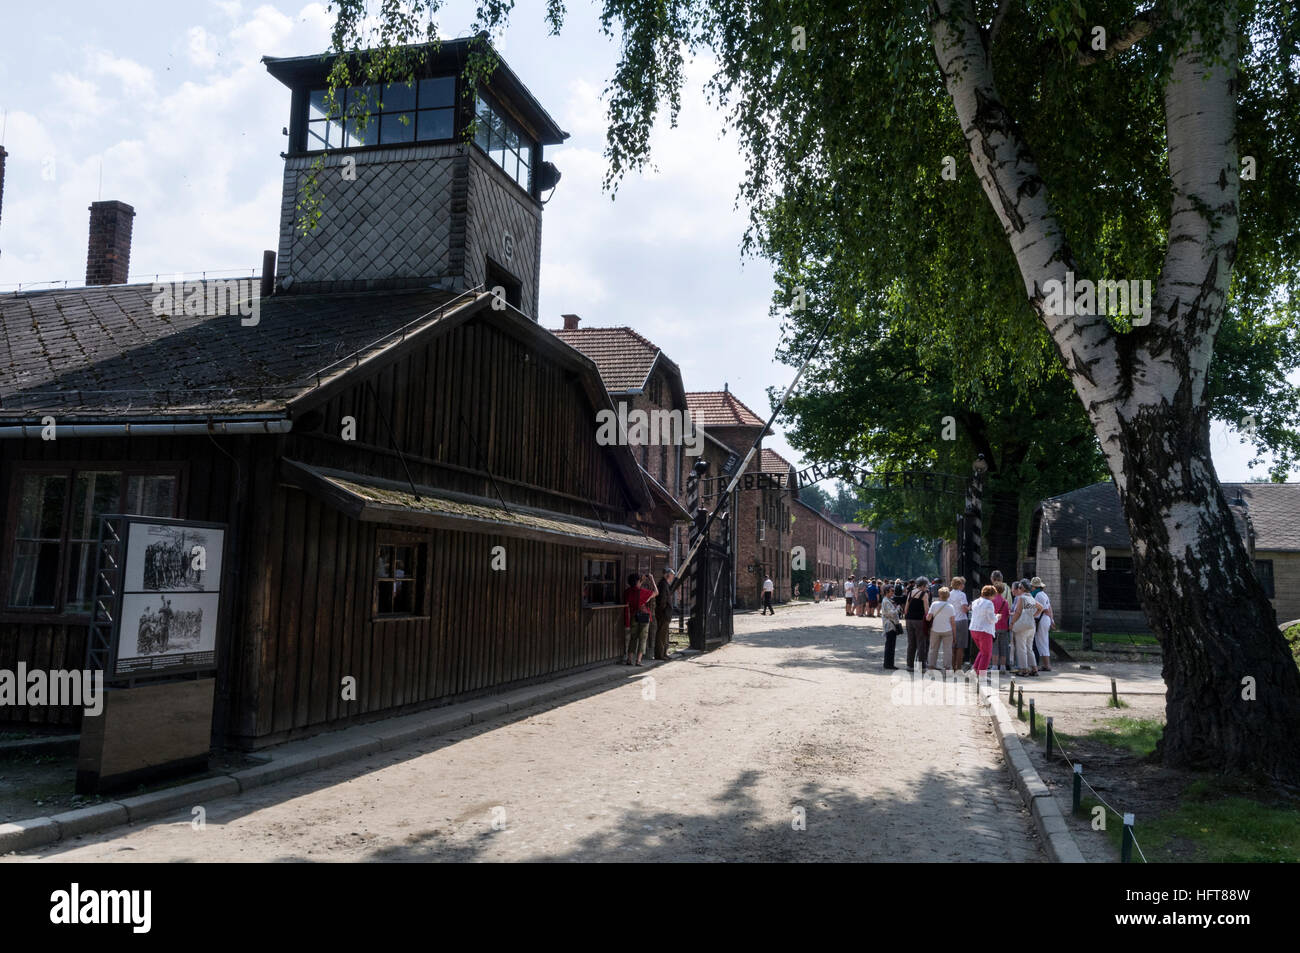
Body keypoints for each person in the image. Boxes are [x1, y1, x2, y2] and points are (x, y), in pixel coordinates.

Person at [623, 571, 658, 666]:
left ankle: (629, 659)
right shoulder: (642, 592)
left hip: (633, 615)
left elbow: (635, 588)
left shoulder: (627, 592)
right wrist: (651, 579)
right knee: (643, 638)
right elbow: (656, 592)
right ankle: (638, 661)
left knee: (633, 638)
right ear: (638, 582)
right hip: (643, 616)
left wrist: (641, 581)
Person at [1010, 579, 1039, 675]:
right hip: (1031, 625)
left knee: (1021, 647)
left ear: (1021, 588)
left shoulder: (1021, 598)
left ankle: (1023, 669)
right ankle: (1034, 668)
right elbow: (1041, 607)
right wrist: (1033, 615)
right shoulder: (1031, 598)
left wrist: (1012, 623)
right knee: (1029, 648)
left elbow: (1018, 612)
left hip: (1022, 626)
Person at [968, 585, 998, 676]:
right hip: (984, 631)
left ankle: (974, 670)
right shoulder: (989, 603)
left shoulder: (975, 602)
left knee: (982, 651)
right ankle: (981, 676)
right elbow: (991, 619)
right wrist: (997, 617)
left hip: (974, 629)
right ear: (991, 595)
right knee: (987, 654)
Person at [902, 577, 931, 672]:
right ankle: (921, 666)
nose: (927, 588)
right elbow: (926, 610)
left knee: (911, 643)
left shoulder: (910, 593)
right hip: (919, 620)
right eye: (926, 586)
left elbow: (906, 609)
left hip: (909, 620)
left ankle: (909, 665)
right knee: (921, 643)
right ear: (922, 585)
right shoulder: (924, 594)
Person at [926, 586, 957, 672]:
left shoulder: (934, 604)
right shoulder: (951, 606)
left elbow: (928, 618)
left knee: (933, 649)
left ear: (939, 594)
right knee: (947, 650)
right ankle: (947, 668)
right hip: (947, 630)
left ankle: (931, 666)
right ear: (948, 596)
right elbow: (953, 622)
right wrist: (955, 635)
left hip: (935, 629)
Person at [1030, 576, 1055, 671]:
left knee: (1041, 641)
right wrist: (1052, 620)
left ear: (1033, 587)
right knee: (1043, 641)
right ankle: (1046, 664)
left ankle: (1047, 665)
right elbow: (1049, 608)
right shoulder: (1043, 594)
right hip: (1045, 619)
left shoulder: (1037, 595)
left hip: (1041, 619)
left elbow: (1044, 609)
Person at [948, 576, 970, 671]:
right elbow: (964, 609)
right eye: (963, 583)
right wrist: (970, 607)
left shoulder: (948, 594)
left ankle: (952, 667)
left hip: (951, 620)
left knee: (953, 646)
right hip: (961, 620)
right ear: (960, 585)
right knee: (960, 646)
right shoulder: (962, 595)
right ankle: (959, 668)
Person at [653, 567, 676, 659]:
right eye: (672, 575)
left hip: (665, 614)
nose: (673, 576)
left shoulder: (665, 584)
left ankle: (663, 653)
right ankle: (659, 655)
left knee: (664, 634)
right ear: (668, 574)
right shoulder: (663, 584)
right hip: (663, 614)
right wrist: (664, 611)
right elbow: (662, 600)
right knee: (661, 634)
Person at [992, 579, 1011, 673]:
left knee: (994, 647)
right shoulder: (1005, 601)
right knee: (1003, 647)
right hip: (1003, 626)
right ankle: (1003, 666)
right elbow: (1007, 614)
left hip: (994, 627)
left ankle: (995, 666)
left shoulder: (992, 601)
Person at [880, 584, 901, 669]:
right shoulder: (886, 601)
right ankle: (888, 664)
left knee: (891, 645)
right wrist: (898, 609)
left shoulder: (888, 600)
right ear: (886, 592)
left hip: (890, 625)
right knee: (890, 645)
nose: (893, 593)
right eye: (892, 591)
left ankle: (889, 663)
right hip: (890, 625)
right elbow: (891, 613)